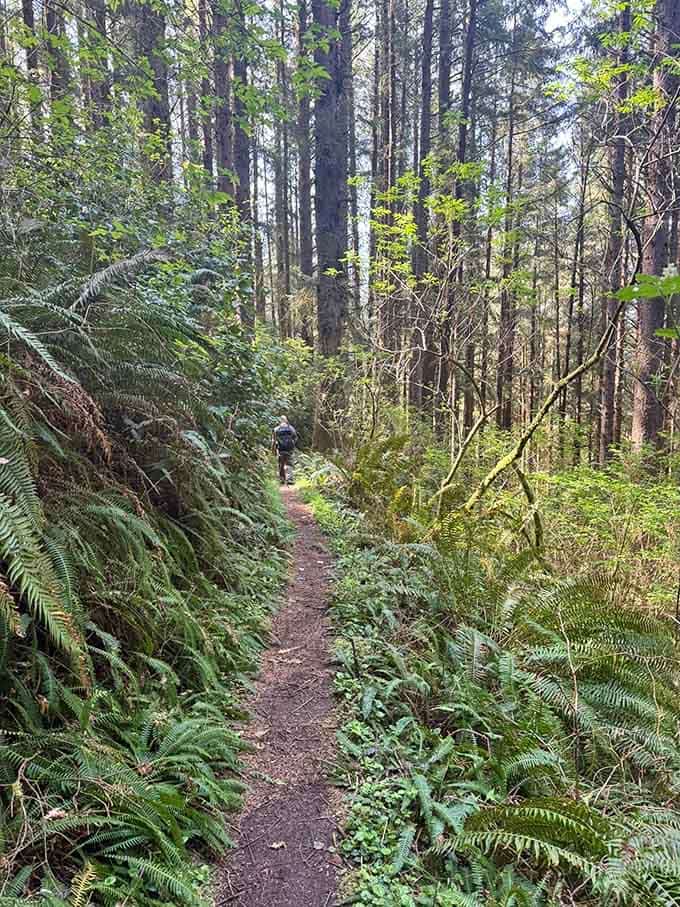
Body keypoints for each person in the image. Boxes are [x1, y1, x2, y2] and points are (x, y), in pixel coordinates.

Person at [272, 416, 297, 485]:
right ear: (286, 420)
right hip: (289, 449)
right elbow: (295, 437)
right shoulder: (291, 428)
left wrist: (273, 449)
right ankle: (290, 479)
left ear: (280, 421)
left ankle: (282, 479)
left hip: (280, 449)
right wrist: (292, 445)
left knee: (281, 464)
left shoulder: (276, 429)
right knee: (289, 464)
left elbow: (274, 440)